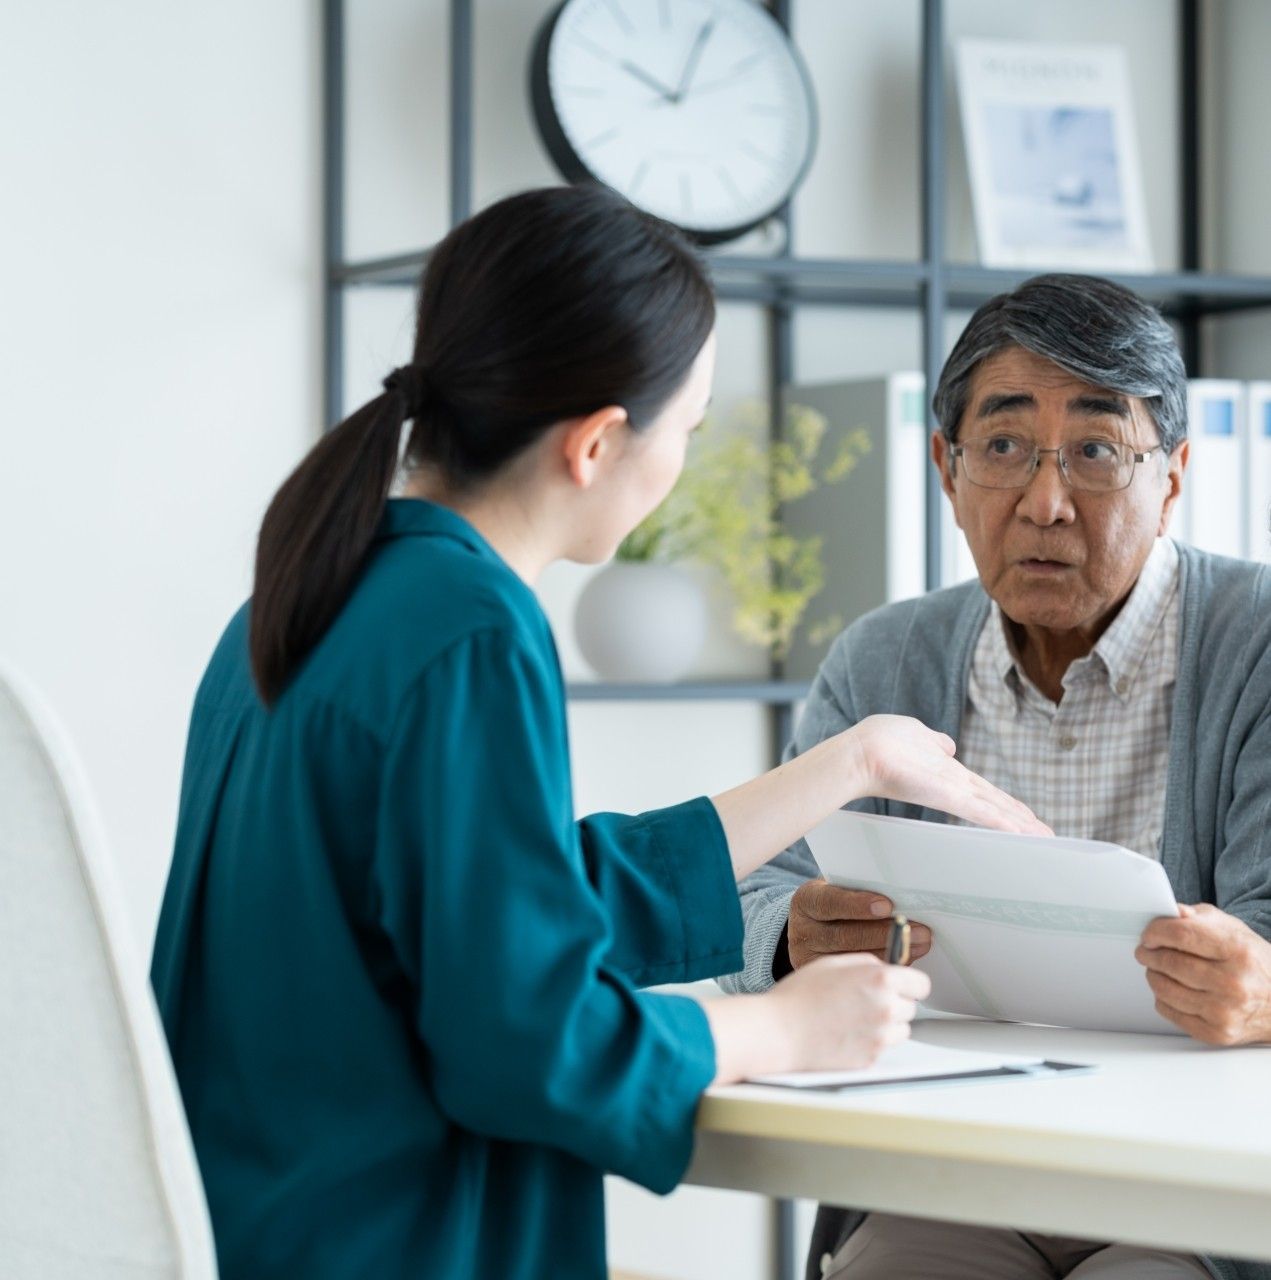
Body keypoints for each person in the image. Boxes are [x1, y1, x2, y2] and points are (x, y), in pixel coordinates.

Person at [148, 185, 1045, 1280]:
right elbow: (524, 1037)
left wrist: (849, 762)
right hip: (404, 1242)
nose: (680, 462)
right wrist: (779, 1030)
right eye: (687, 430)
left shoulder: (315, 590)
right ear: (597, 443)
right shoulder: (471, 631)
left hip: (268, 1228)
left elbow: (498, 903)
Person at [723, 273, 1271, 1280]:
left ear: (1172, 477)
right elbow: (757, 889)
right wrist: (795, 938)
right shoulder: (883, 658)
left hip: (1190, 1190)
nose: (1044, 504)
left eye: (1096, 452)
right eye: (1003, 447)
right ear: (946, 468)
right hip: (953, 1170)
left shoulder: (1256, 645)